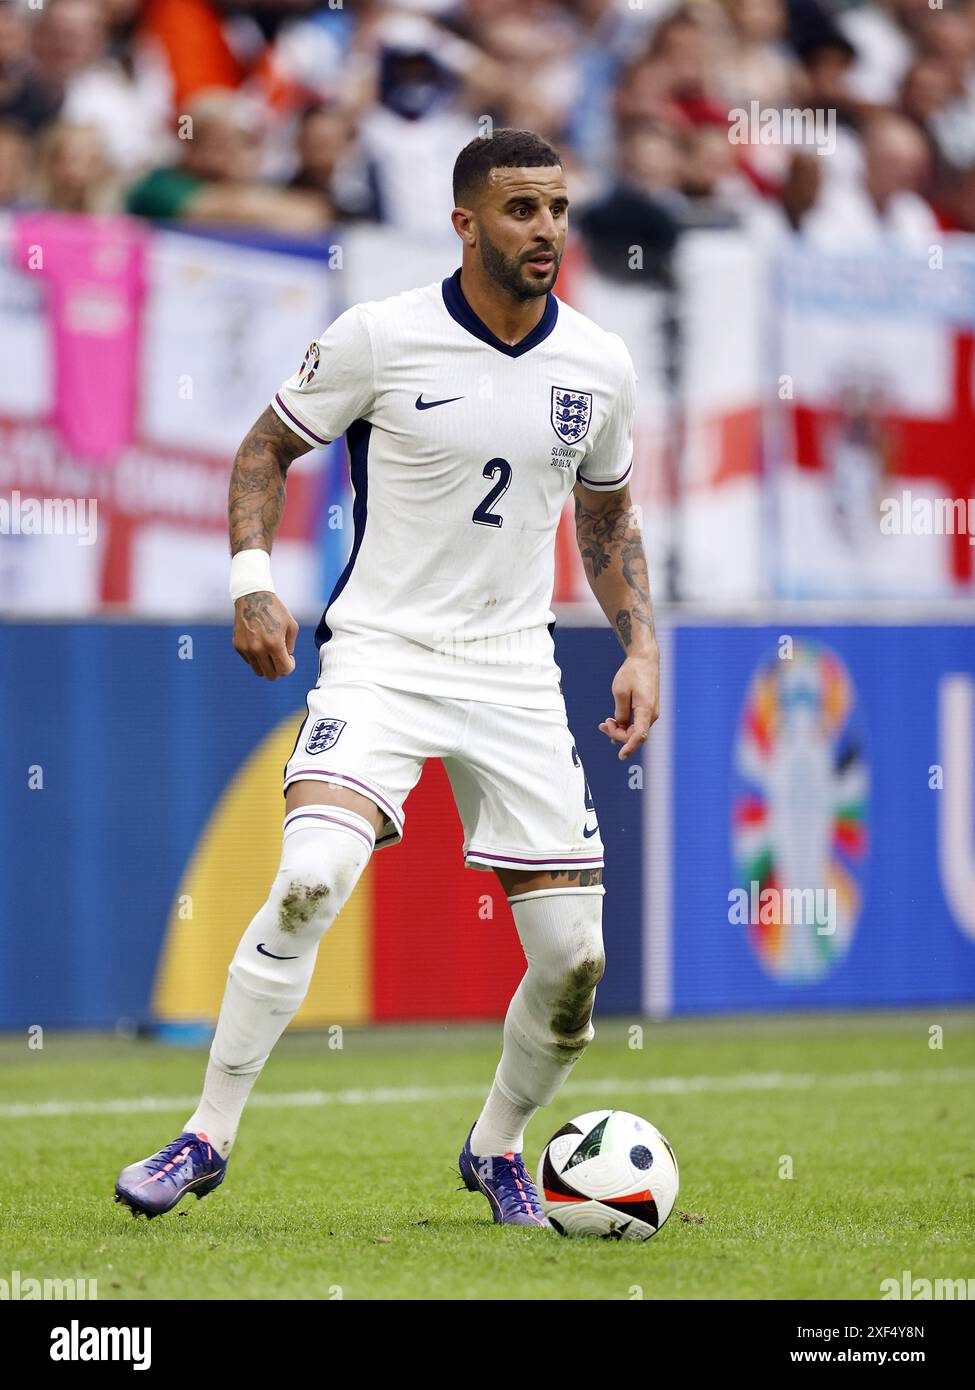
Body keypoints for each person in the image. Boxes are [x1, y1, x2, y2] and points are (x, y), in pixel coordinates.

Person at [114, 128, 659, 1229]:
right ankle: (203, 1137)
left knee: (577, 966)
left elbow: (606, 517)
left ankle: (498, 1147)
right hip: (384, 656)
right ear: (465, 222)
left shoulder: (599, 363)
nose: (545, 229)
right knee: (312, 873)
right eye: (519, 210)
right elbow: (263, 450)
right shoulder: (379, 337)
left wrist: (642, 645)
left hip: (515, 672)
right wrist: (252, 582)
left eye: (555, 208)